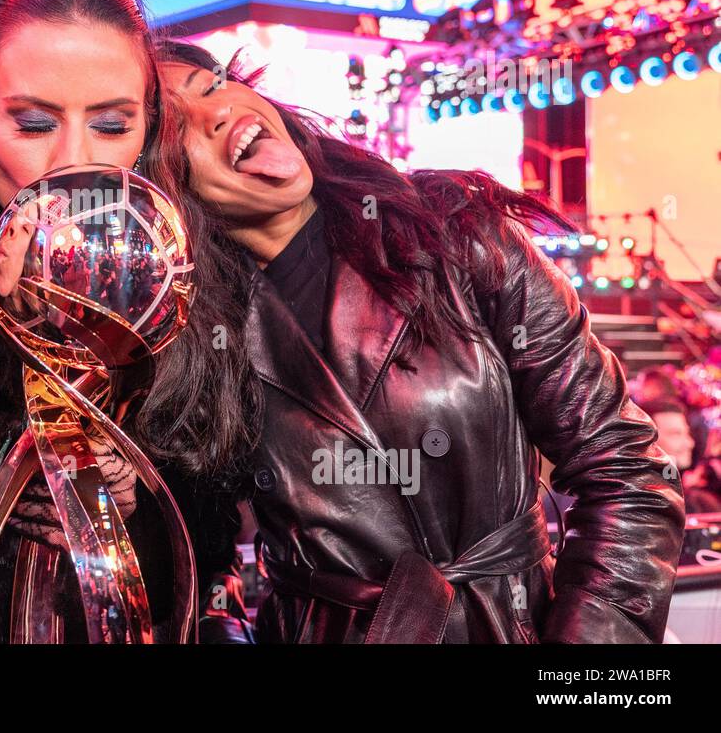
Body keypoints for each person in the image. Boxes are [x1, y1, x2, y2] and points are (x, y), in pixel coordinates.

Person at [157, 39, 686, 643]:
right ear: (171, 193)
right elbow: (199, 564)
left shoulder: (452, 230)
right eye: (180, 132)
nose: (218, 111)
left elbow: (627, 468)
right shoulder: (196, 340)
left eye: (214, 85)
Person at [0, 0, 254, 642]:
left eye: (112, 125)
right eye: (33, 122)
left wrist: (137, 483)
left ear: (148, 131)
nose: (72, 162)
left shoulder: (198, 271)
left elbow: (216, 531)